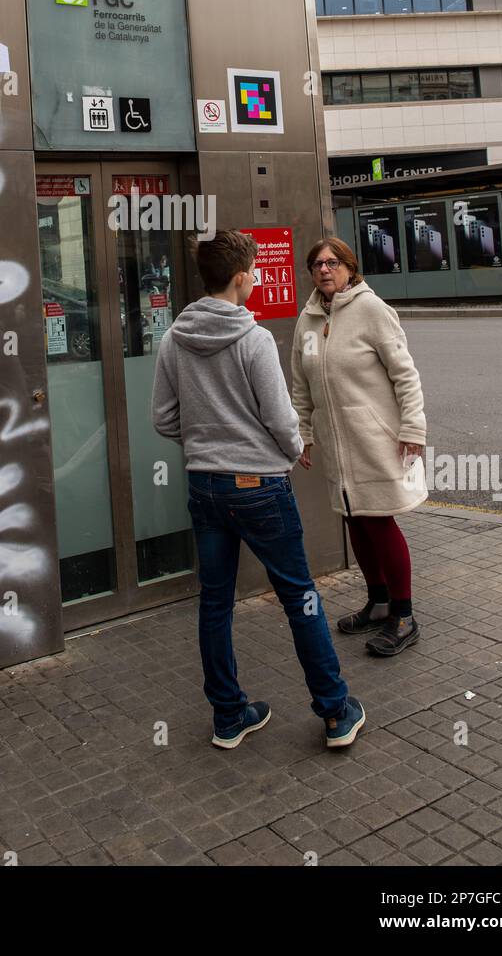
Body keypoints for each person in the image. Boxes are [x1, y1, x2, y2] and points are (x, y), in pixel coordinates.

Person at [152, 229, 364, 750]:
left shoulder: (173, 338)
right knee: (299, 597)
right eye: (253, 274)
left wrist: (206, 440)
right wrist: (292, 449)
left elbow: (163, 419)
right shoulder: (254, 338)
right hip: (259, 485)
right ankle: (336, 712)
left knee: (215, 602)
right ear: (242, 277)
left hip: (205, 486)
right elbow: (279, 417)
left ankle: (230, 716)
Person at [291, 237, 427, 657]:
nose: (324, 270)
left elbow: (405, 375)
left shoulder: (372, 311)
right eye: (316, 265)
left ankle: (403, 615)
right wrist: (303, 434)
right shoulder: (309, 319)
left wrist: (413, 428)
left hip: (374, 439)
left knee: (379, 520)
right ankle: (379, 601)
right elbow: (302, 384)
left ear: (350, 268)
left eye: (332, 263)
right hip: (337, 444)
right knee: (355, 521)